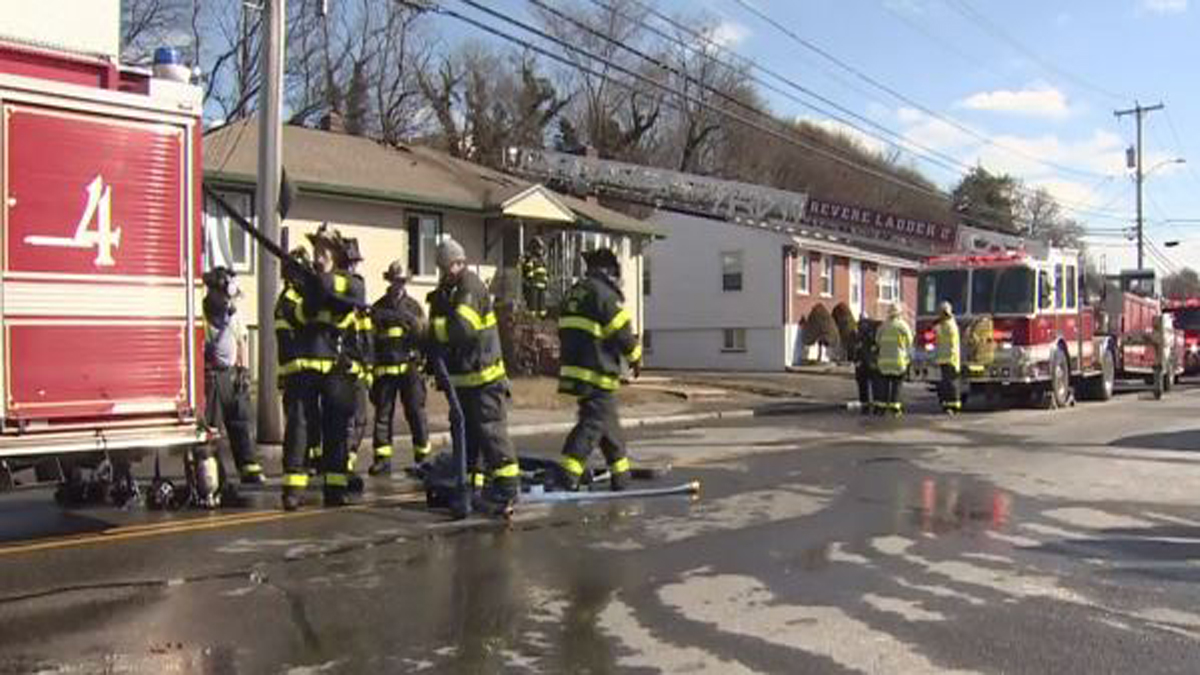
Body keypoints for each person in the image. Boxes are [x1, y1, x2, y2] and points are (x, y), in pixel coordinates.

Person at [426, 237, 521, 508]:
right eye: (443, 268)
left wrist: (429, 330)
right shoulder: (448, 290)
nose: (446, 273)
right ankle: (468, 487)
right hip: (464, 381)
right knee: (467, 438)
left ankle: (507, 488)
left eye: (450, 266)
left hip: (485, 378)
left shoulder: (470, 287)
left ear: (460, 262)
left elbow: (462, 330)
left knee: (491, 432)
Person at [281, 226, 366, 510]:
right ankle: (293, 488)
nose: (318, 255)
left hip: (335, 367)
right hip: (305, 367)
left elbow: (353, 292)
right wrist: (313, 298)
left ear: (336, 256)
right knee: (299, 427)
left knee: (336, 428)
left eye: (324, 250)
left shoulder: (349, 283)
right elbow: (292, 312)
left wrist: (321, 286)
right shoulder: (299, 285)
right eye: (316, 249)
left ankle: (335, 487)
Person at [555, 247, 643, 491]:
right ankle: (567, 474)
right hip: (597, 371)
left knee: (608, 424)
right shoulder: (603, 295)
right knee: (593, 423)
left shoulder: (576, 292)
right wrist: (635, 358)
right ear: (608, 272)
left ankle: (621, 476)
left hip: (577, 369)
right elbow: (622, 333)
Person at [202, 266, 262, 493]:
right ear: (213, 291)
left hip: (232, 374)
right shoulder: (203, 313)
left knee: (241, 421)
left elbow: (241, 340)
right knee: (213, 427)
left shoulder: (232, 313)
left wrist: (244, 370)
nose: (226, 300)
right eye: (223, 295)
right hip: (213, 376)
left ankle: (249, 467)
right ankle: (216, 474)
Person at [369, 260, 432, 476]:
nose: (399, 285)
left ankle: (423, 457)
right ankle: (382, 458)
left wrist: (422, 360)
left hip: (409, 370)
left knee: (415, 413)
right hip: (385, 371)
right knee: (383, 415)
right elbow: (372, 341)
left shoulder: (414, 307)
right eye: (396, 281)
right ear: (390, 281)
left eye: (402, 281)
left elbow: (424, 337)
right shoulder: (378, 308)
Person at [275, 248, 323, 498]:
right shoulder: (290, 299)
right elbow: (305, 316)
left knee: (313, 424)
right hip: (298, 373)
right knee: (298, 426)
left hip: (313, 372)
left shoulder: (299, 294)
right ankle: (293, 485)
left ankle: (312, 468)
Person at [343, 238, 372, 493]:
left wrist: (369, 366)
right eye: (349, 262)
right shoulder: (335, 290)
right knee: (345, 420)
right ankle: (342, 465)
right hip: (342, 369)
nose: (353, 267)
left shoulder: (359, 289)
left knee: (360, 420)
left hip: (360, 368)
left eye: (355, 262)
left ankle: (347, 462)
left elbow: (366, 335)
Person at [875, 303, 913, 417]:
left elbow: (877, 341)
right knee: (896, 385)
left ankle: (881, 408)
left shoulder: (883, 326)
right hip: (898, 361)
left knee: (884, 385)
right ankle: (895, 408)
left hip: (884, 362)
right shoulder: (902, 326)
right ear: (899, 313)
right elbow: (909, 341)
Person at [934, 301, 962, 414]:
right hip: (945, 358)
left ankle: (953, 405)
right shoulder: (947, 324)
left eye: (940, 313)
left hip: (950, 359)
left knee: (950, 384)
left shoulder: (948, 325)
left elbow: (938, 333)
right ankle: (947, 404)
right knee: (946, 384)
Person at [850, 313, 879, 415]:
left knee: (863, 387)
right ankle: (876, 407)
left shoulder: (857, 332)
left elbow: (854, 348)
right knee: (875, 386)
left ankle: (865, 407)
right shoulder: (873, 331)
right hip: (871, 363)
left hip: (861, 364)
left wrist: (855, 360)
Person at [521, 237, 550, 318]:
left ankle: (536, 316)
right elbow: (528, 271)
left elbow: (529, 272)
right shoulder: (537, 260)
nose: (541, 251)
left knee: (536, 304)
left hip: (536, 284)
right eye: (539, 249)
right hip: (538, 285)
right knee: (538, 304)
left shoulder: (536, 260)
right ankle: (538, 317)